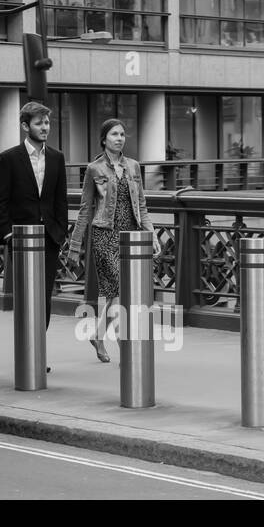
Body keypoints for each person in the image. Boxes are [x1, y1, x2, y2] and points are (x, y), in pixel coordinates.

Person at [67, 119, 159, 364]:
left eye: (122, 134)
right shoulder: (94, 169)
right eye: (114, 134)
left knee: (115, 295)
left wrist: (151, 233)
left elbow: (141, 204)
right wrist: (75, 246)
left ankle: (98, 335)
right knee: (121, 289)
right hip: (104, 236)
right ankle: (125, 345)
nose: (119, 138)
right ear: (104, 139)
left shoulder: (134, 167)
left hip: (130, 238)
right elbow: (85, 209)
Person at [0, 102, 68, 346]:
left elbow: (60, 199)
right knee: (27, 296)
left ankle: (38, 349)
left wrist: (60, 231)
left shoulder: (57, 158)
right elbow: (0, 201)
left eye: (47, 122)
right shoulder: (9, 158)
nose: (45, 127)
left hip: (49, 237)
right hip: (21, 238)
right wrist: (7, 235)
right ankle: (27, 351)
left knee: (44, 296)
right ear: (26, 126)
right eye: (39, 123)